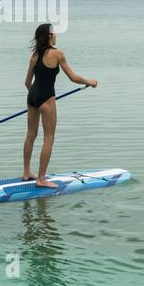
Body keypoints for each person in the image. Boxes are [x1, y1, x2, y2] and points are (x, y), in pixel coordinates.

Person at [23, 23, 97, 187]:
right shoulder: (57, 54)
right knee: (49, 137)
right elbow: (73, 77)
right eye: (54, 33)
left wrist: (35, 97)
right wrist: (90, 82)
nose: (56, 35)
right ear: (49, 36)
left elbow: (27, 82)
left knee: (30, 135)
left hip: (32, 97)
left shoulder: (34, 56)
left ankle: (27, 172)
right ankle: (41, 179)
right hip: (46, 98)